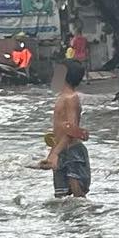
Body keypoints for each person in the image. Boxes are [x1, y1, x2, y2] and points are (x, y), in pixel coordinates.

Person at [35, 59, 89, 198]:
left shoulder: (71, 98)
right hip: (61, 150)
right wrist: (52, 154)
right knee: (61, 197)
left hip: (72, 152)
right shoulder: (62, 97)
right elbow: (60, 131)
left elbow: (71, 130)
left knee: (78, 195)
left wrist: (56, 153)